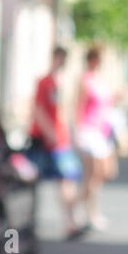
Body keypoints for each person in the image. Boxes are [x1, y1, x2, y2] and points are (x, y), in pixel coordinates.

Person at [29, 47, 83, 238]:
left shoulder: (64, 82)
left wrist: (72, 133)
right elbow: (38, 109)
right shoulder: (45, 82)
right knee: (34, 181)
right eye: (58, 58)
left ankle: (70, 222)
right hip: (46, 140)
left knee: (67, 178)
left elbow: (66, 110)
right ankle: (32, 223)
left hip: (60, 140)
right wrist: (49, 132)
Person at [75, 47, 117, 232]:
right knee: (92, 174)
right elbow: (78, 106)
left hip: (103, 131)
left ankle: (78, 204)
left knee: (105, 172)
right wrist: (77, 131)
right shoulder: (85, 81)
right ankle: (89, 212)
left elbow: (107, 104)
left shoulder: (101, 80)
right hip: (89, 131)